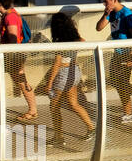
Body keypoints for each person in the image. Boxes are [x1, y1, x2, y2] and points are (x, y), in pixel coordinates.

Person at [40, 12, 94, 146]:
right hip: (75, 71)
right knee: (73, 103)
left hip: (64, 74)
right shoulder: (75, 38)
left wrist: (49, 83)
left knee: (54, 106)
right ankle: (91, 128)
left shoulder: (60, 41)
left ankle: (58, 138)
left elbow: (57, 64)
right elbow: (83, 41)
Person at [0, 0, 36, 122]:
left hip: (13, 55)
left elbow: (13, 39)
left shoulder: (10, 17)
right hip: (14, 54)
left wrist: (14, 58)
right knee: (21, 81)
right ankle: (33, 110)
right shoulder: (10, 14)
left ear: (0, 3)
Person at [98, 0, 132, 124]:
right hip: (117, 54)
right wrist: (105, 14)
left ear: (114, 0)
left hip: (127, 55)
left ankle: (129, 113)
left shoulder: (126, 14)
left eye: (106, 2)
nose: (104, 4)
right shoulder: (111, 13)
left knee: (122, 84)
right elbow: (99, 27)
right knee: (115, 81)